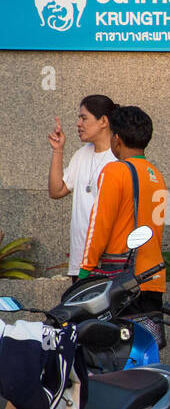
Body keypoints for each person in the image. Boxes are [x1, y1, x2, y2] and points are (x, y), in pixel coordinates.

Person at [81, 105, 167, 319]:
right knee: (142, 347)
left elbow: (99, 225)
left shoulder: (115, 171)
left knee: (110, 348)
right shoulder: (156, 175)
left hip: (123, 281)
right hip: (153, 280)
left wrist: (85, 272)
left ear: (116, 139)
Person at [47, 95, 117, 278]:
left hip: (109, 262)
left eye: (84, 118)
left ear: (103, 121)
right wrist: (58, 150)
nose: (78, 124)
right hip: (81, 261)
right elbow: (56, 191)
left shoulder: (119, 156)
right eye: (79, 118)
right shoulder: (81, 154)